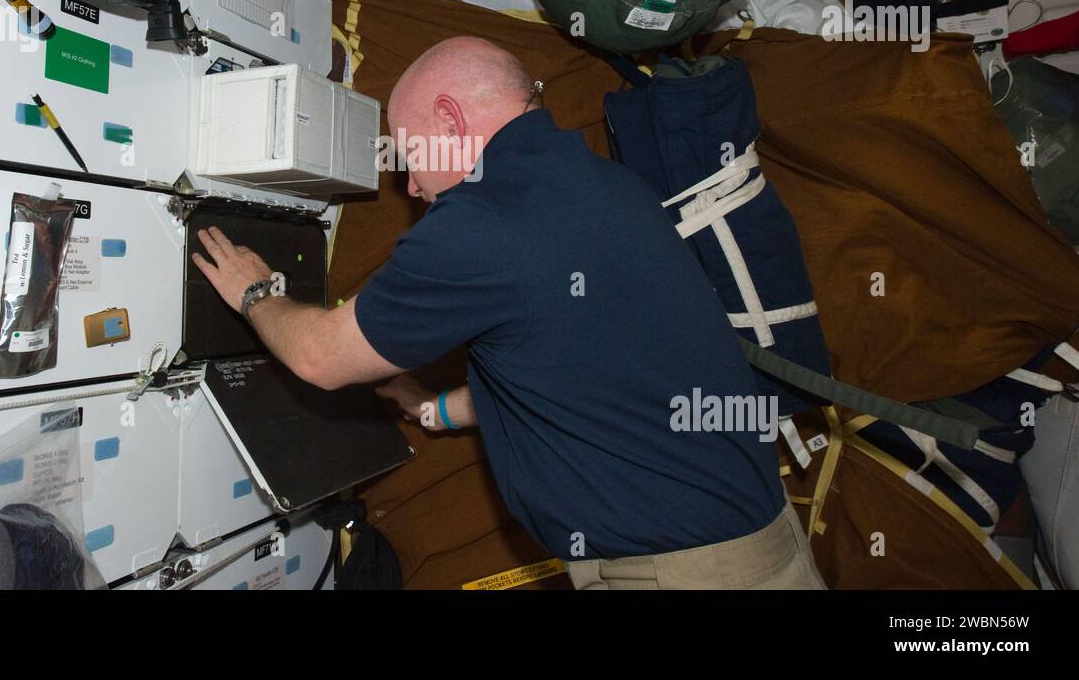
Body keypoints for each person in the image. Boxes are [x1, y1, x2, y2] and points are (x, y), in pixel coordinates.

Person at [192, 36, 826, 590]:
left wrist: (257, 293)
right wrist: (432, 408)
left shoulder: (483, 220)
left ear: (448, 119)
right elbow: (577, 368)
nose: (410, 186)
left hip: (682, 575)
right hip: (761, 547)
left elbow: (319, 357)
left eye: (410, 158)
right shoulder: (610, 185)